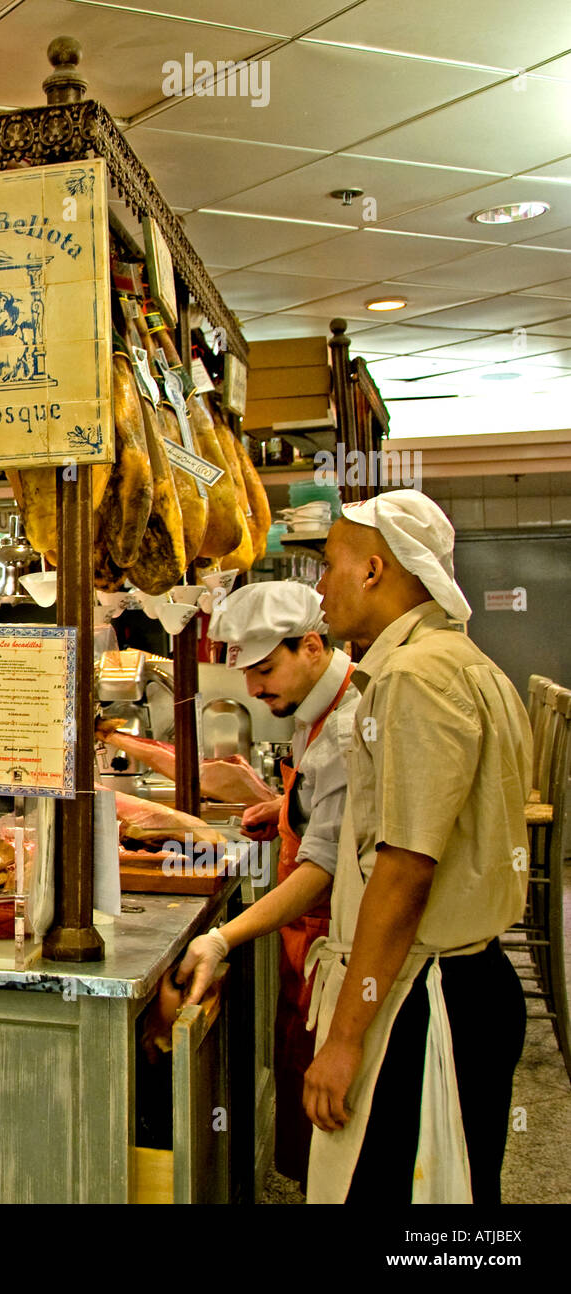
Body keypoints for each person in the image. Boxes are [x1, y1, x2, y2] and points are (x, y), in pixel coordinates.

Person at [304, 489, 530, 1204]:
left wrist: (343, 1042)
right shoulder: (463, 662)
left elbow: (404, 871)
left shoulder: (413, 678)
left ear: (374, 569)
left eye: (331, 564)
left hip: (420, 997)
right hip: (461, 984)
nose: (320, 586)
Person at [179, 581, 359, 1190]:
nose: (254, 691)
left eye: (264, 671)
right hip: (304, 947)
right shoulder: (313, 710)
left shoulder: (346, 721)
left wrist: (222, 939)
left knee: (337, 1128)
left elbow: (324, 869)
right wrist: (286, 804)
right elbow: (338, 809)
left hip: (338, 944)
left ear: (311, 645)